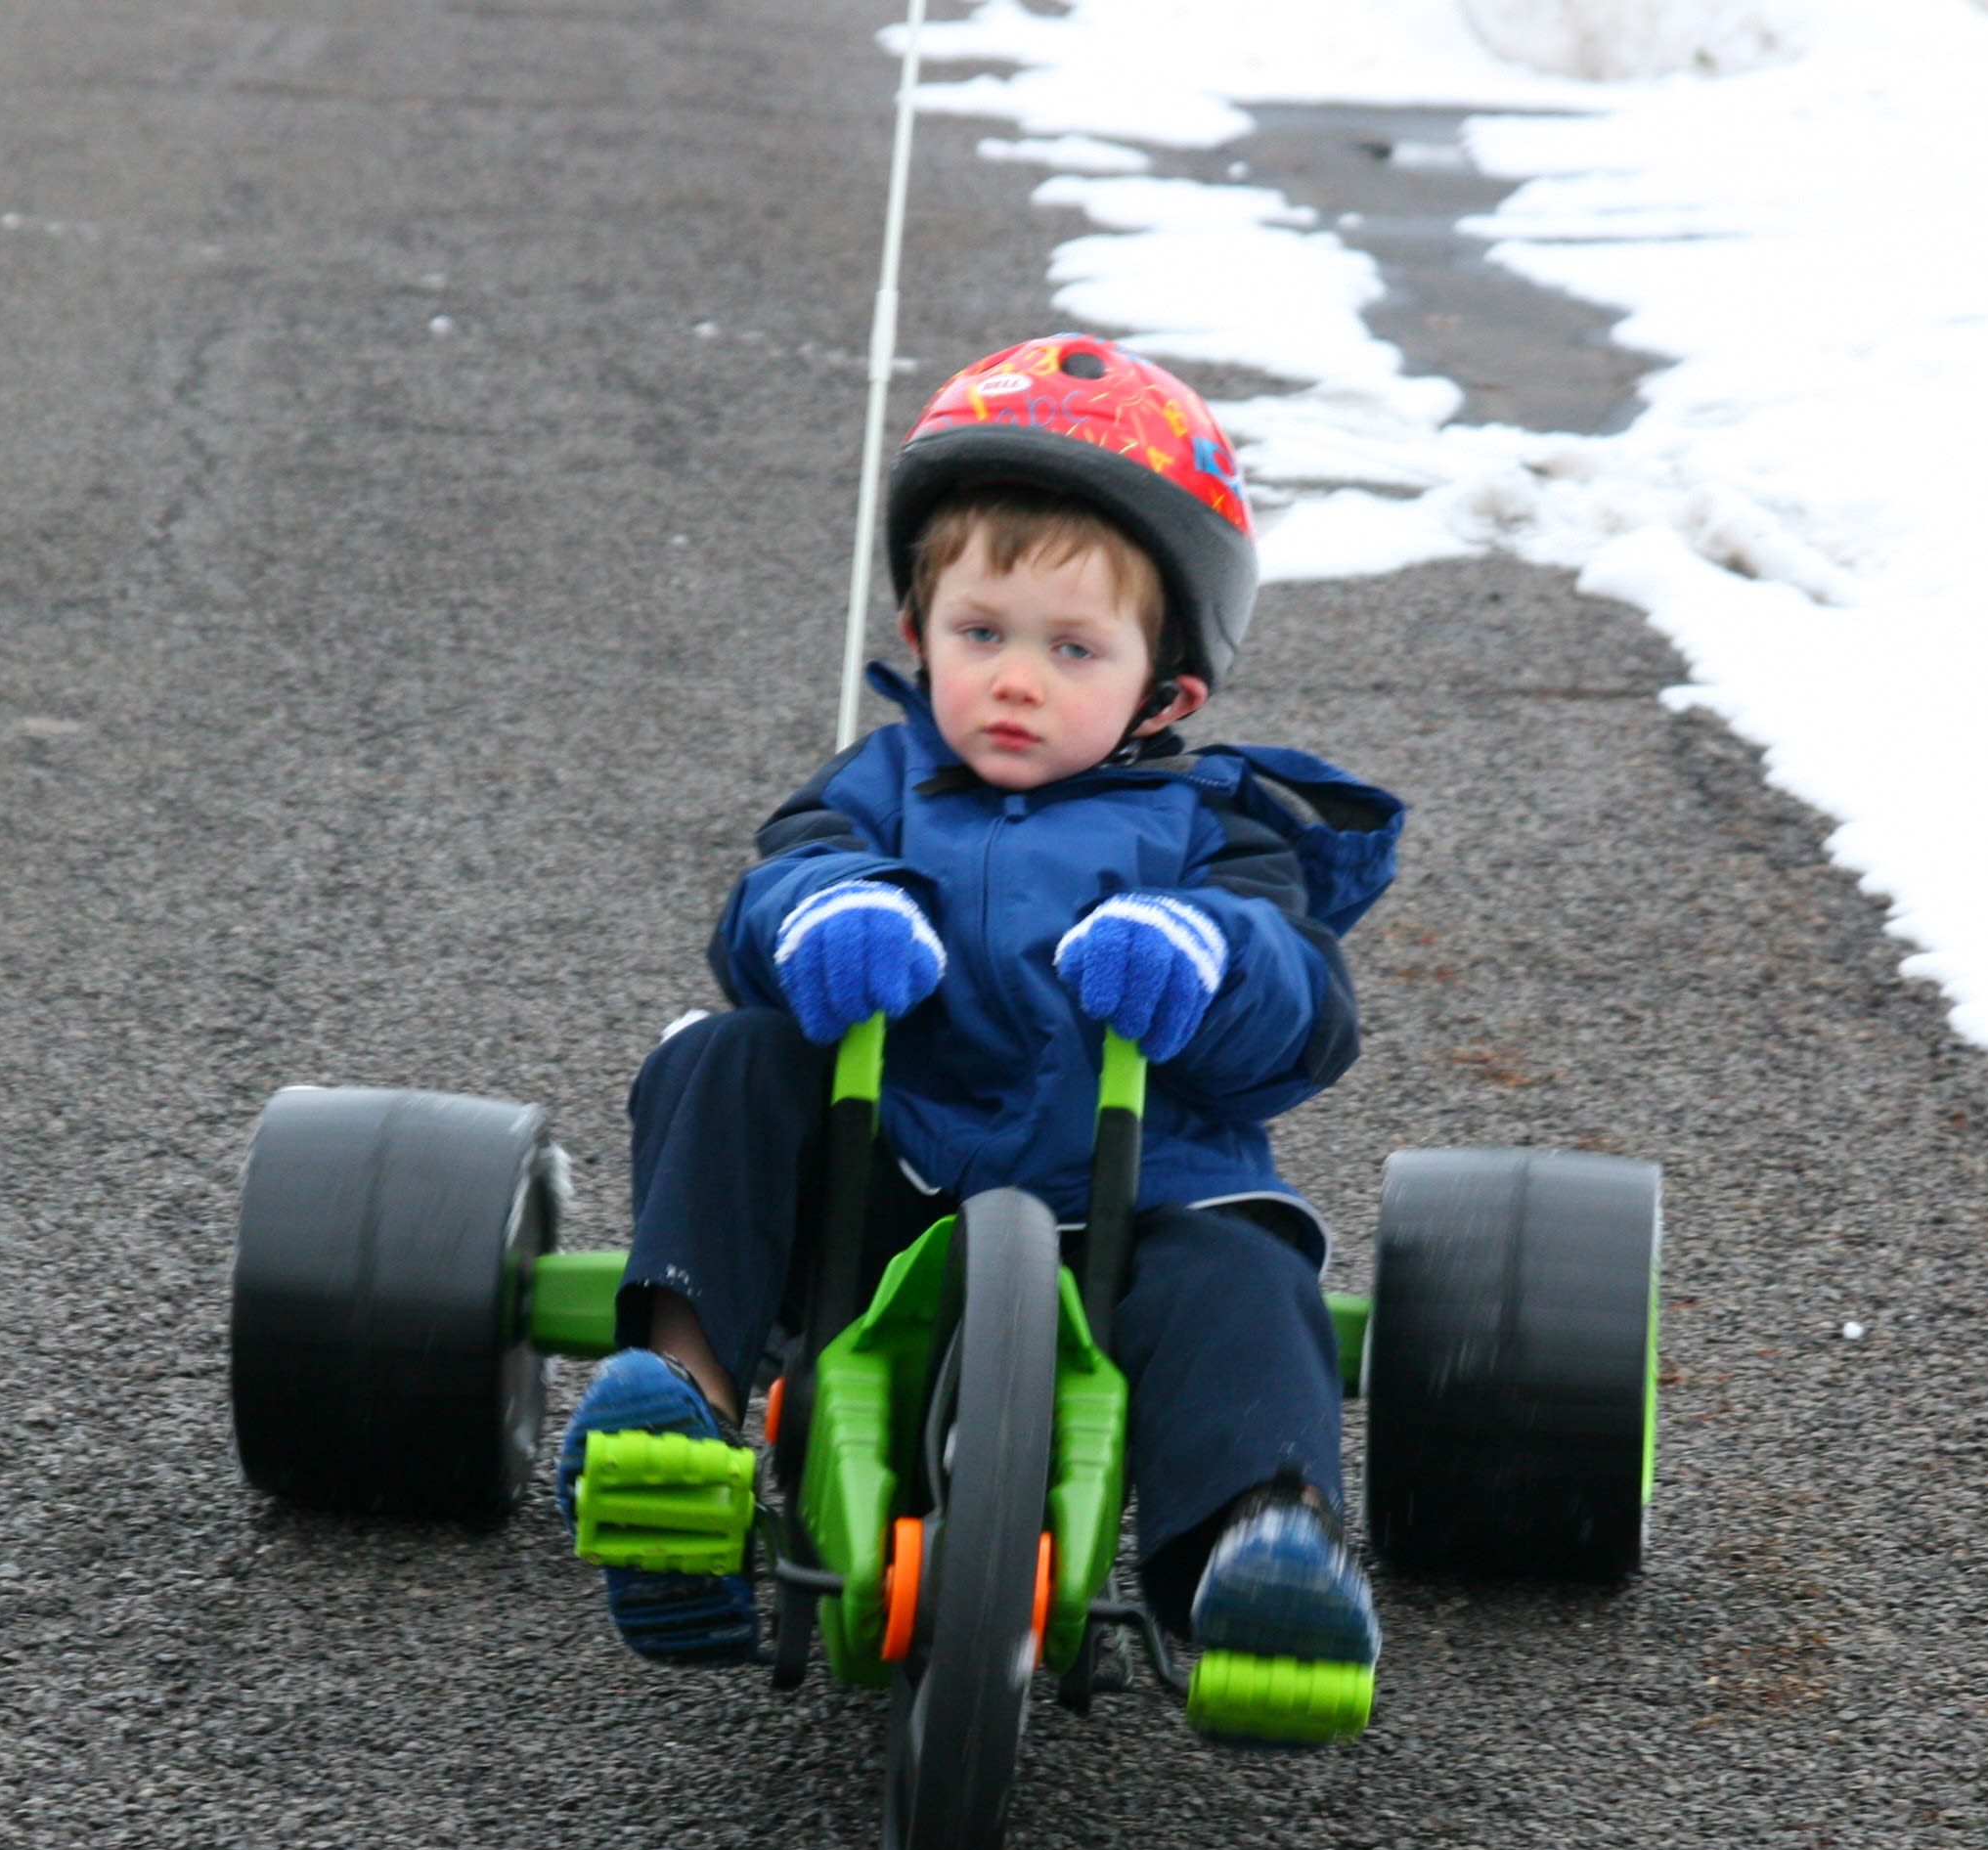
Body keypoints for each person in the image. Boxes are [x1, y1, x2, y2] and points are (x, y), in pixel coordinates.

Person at [559, 334, 1405, 1742]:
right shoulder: (875, 790)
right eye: (982, 634)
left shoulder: (1222, 829)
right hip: (878, 1186)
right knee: (727, 1055)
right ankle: (681, 1417)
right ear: (917, 634)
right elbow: (762, 900)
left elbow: (1304, 1017)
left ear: (1166, 693)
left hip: (1135, 1207)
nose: (1016, 679)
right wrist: (825, 911)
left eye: (1073, 650)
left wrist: (1209, 955)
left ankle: (1255, 1554)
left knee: (1250, 1282)